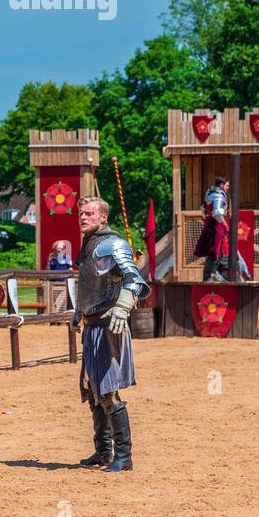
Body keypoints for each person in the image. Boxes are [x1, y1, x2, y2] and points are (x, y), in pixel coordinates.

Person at [72, 197, 147, 473]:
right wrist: (80, 310)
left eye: (89, 214)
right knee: (93, 390)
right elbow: (92, 284)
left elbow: (134, 280)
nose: (83, 217)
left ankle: (123, 457)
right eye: (81, 213)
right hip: (92, 325)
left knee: (108, 391)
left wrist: (123, 307)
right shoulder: (90, 244)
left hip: (108, 325)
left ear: (103, 218)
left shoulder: (113, 244)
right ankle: (103, 451)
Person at [193, 176, 231, 282]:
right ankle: (210, 275)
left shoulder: (210, 193)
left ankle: (217, 273)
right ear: (222, 185)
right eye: (227, 186)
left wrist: (207, 217)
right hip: (216, 224)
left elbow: (202, 208)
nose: (227, 188)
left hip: (211, 223)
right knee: (216, 249)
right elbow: (217, 213)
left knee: (220, 249)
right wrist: (225, 225)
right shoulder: (219, 194)